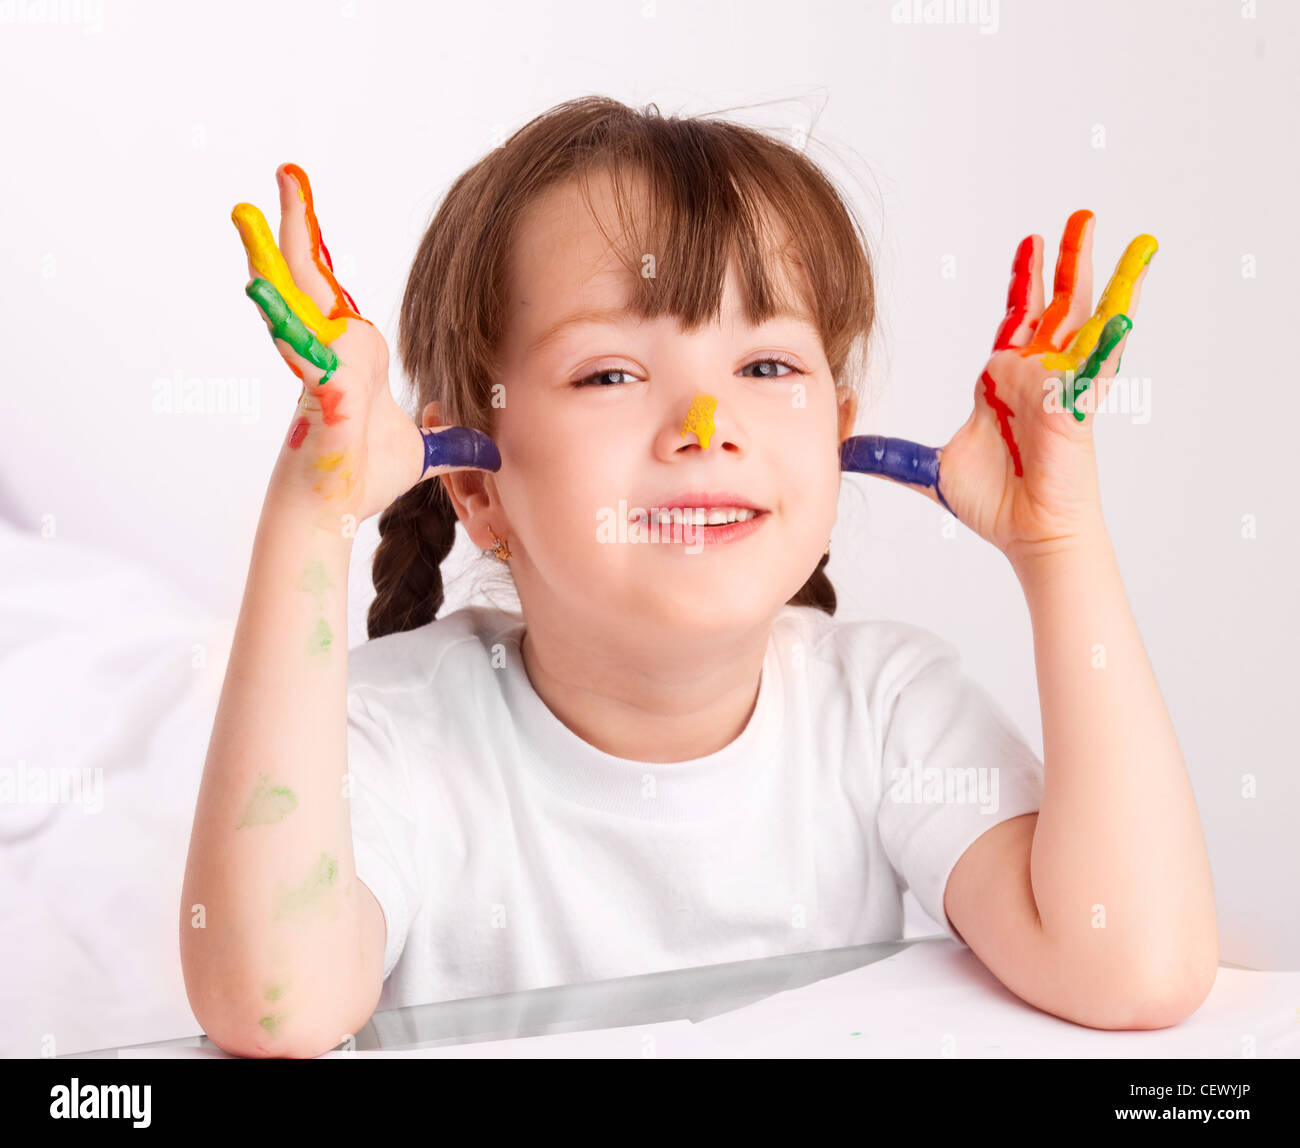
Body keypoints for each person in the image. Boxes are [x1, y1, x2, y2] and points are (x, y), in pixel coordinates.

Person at [181, 95, 1217, 1059]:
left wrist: (1059, 543)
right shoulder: (392, 732)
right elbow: (275, 1003)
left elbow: (1131, 964)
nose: (703, 426)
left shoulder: (886, 707)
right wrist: (310, 519)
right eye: (610, 374)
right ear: (476, 482)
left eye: (765, 367)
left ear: (838, 436)